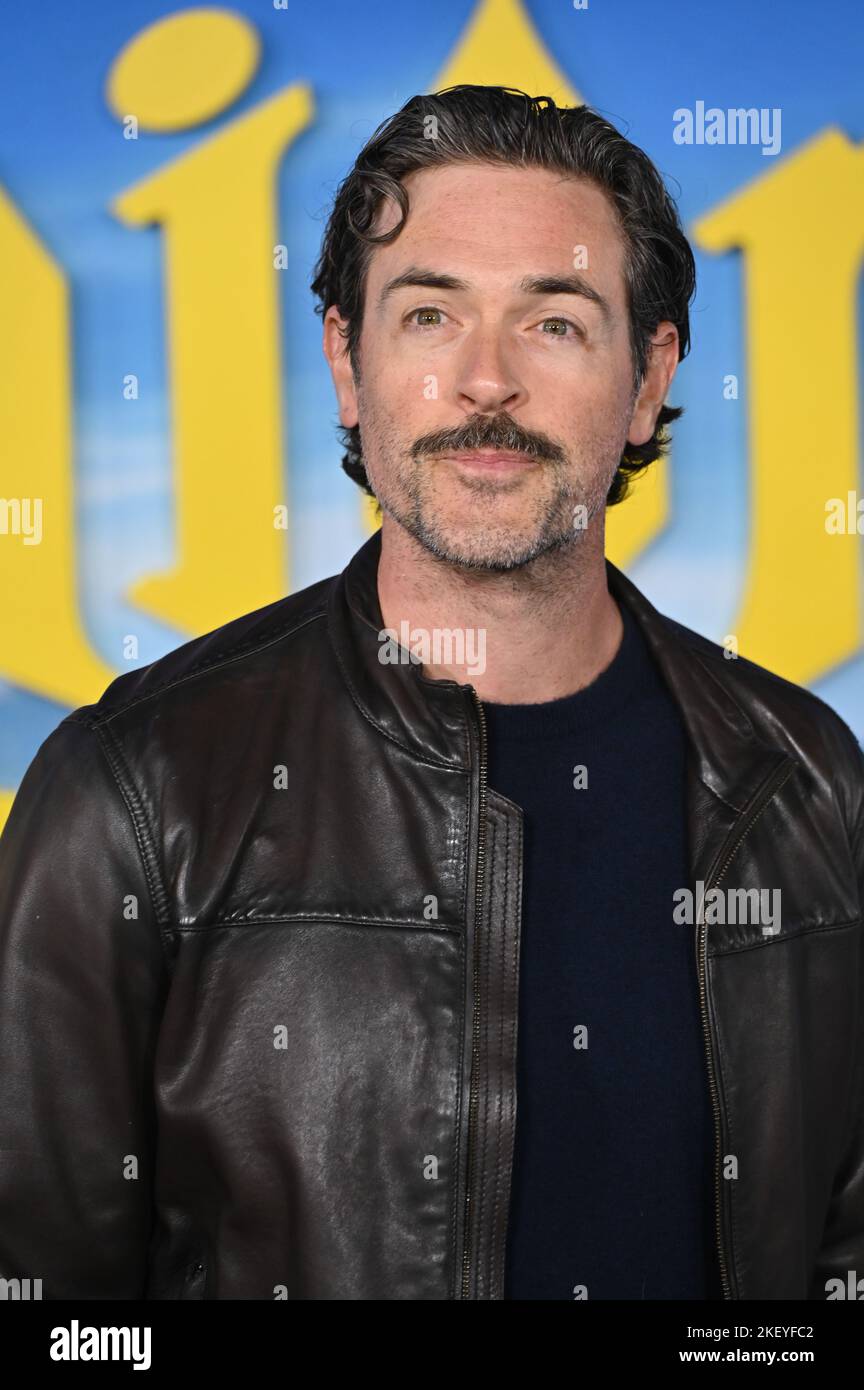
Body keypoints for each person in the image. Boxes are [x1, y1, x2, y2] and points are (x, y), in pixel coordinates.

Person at [0, 85, 861, 1301]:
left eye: (554, 322)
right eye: (428, 315)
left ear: (648, 372)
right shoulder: (134, 790)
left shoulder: (810, 780)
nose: (486, 382)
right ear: (349, 361)